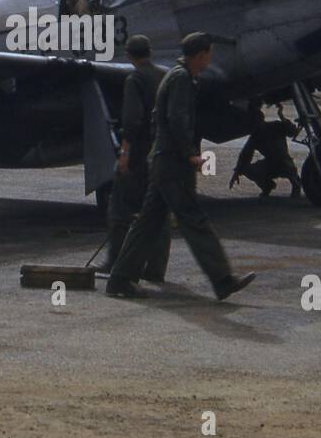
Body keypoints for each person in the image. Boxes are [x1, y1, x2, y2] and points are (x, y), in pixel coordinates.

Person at [106, 32, 256, 302]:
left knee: (148, 224)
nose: (210, 60)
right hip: (173, 164)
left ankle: (120, 279)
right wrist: (190, 154)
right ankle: (222, 280)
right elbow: (177, 118)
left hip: (163, 160)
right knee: (194, 220)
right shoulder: (181, 79)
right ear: (201, 55)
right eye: (209, 54)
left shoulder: (176, 76)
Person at [99, 35, 171, 278]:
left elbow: (132, 120)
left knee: (120, 208)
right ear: (149, 51)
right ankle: (156, 269)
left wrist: (124, 154)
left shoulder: (135, 78)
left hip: (139, 152)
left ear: (128, 55)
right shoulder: (166, 75)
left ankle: (115, 262)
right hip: (162, 152)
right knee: (158, 211)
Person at [230, 103, 302, 198]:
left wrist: (282, 116)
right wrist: (237, 172)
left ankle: (295, 183)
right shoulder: (255, 136)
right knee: (246, 168)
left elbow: (292, 132)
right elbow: (245, 156)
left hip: (284, 162)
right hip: (271, 164)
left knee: (286, 165)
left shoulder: (275, 126)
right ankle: (267, 185)